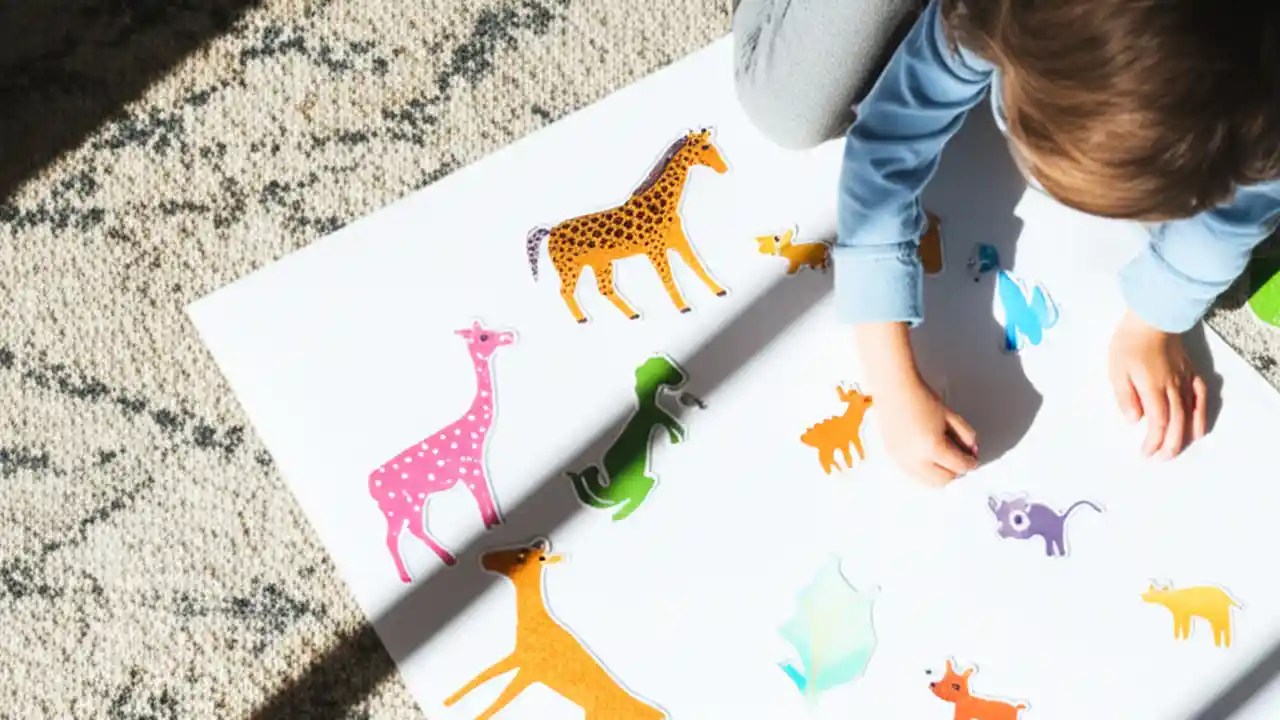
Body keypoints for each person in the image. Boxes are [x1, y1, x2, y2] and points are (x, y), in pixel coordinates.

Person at [733, 0, 1280, 486]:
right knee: (787, 108)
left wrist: (1154, 320)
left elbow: (1238, 216)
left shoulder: (1259, 100)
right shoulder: (997, 17)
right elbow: (887, 144)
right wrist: (891, 379)